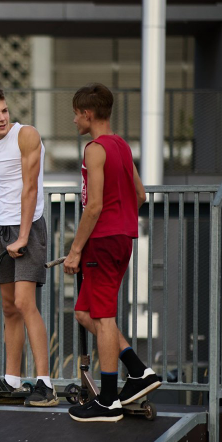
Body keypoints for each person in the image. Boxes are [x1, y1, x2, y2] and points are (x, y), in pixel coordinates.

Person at [63, 83, 162, 422]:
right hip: (122, 238)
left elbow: (93, 207)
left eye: (77, 113)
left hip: (102, 240)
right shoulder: (120, 144)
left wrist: (75, 251)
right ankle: (138, 371)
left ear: (88, 114)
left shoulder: (95, 149)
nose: (74, 119)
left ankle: (107, 400)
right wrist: (122, 219)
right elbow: (141, 195)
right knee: (84, 312)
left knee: (103, 317)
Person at [0, 87, 55, 406]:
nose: (2, 118)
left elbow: (31, 187)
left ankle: (45, 382)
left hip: (29, 225)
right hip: (1, 226)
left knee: (24, 301)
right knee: (7, 306)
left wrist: (23, 235)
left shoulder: (26, 135)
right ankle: (13, 379)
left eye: (4, 111)